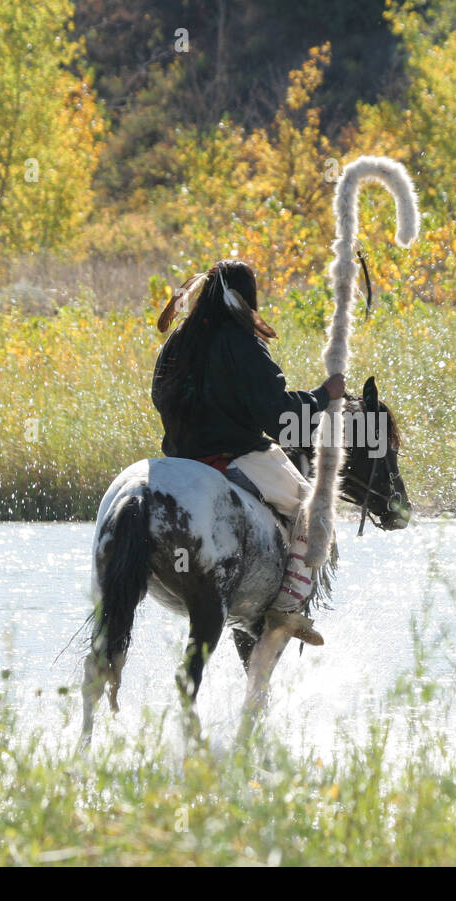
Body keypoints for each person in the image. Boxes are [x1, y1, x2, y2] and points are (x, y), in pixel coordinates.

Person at [152, 259, 344, 641]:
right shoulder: (242, 342)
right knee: (314, 507)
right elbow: (278, 416)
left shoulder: (177, 340)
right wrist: (325, 395)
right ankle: (287, 609)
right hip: (236, 456)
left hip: (178, 462)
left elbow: (159, 397)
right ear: (247, 298)